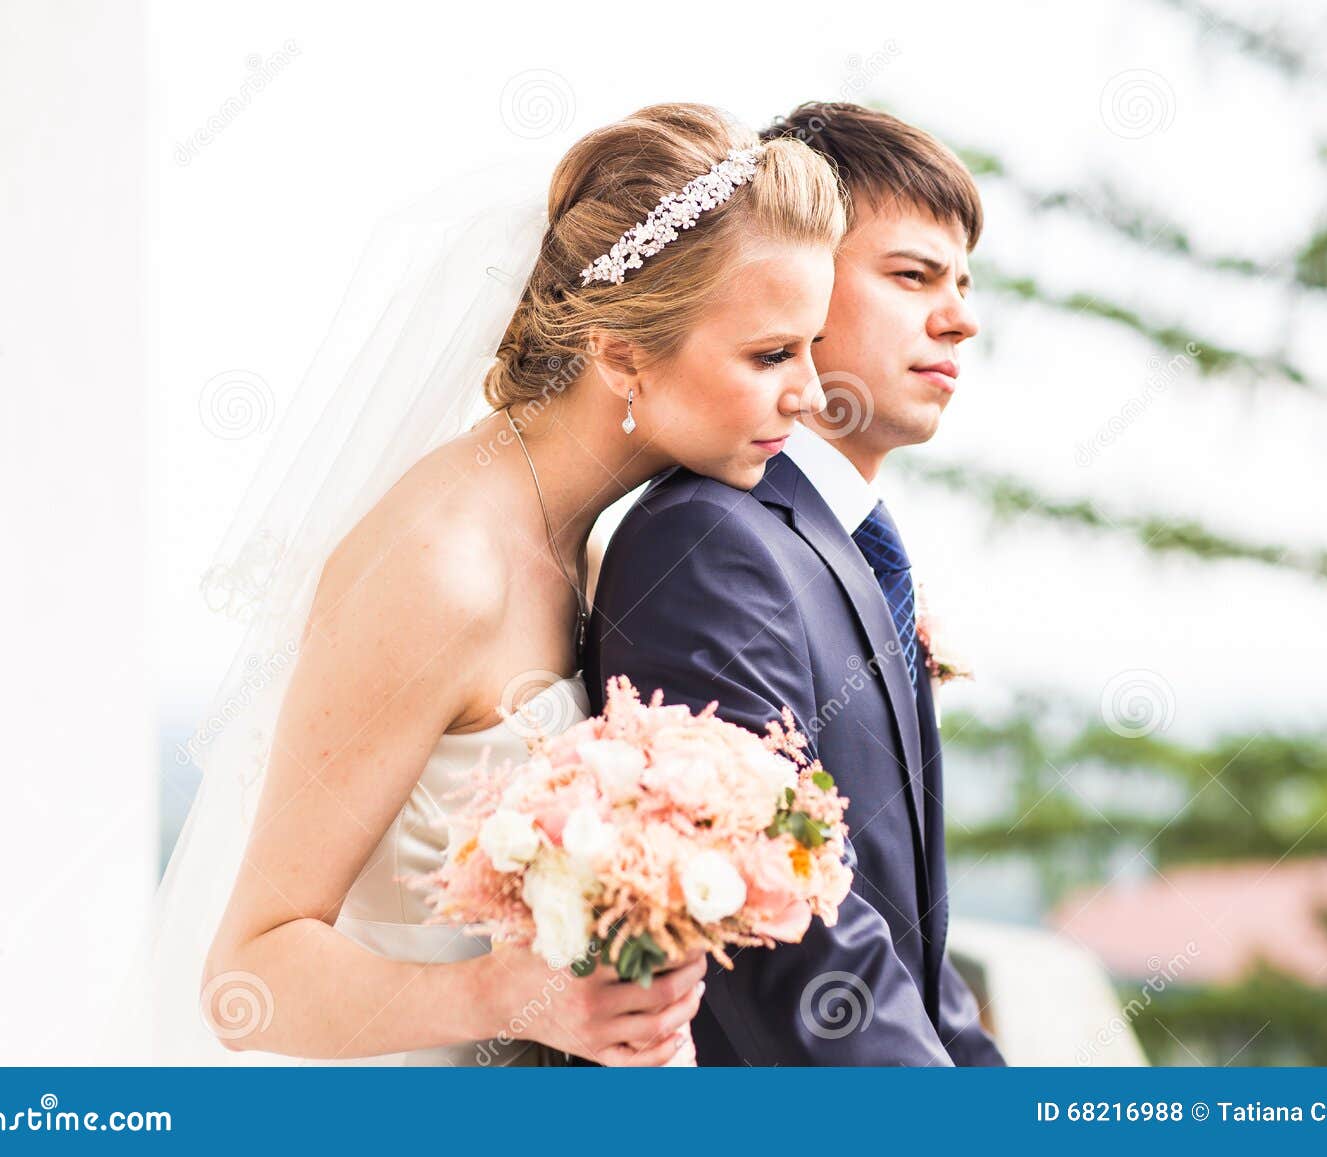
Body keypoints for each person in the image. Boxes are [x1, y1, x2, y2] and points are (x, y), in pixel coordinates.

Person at [134, 102, 846, 1066]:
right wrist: (512, 996)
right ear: (621, 355)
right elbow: (245, 982)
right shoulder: (439, 570)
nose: (810, 392)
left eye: (811, 346)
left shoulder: (598, 540)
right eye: (770, 354)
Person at [584, 101, 1005, 1065]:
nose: (961, 317)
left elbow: (916, 945)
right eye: (913, 275)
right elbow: (791, 945)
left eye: (965, 282)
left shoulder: (847, 544)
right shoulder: (705, 543)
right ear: (800, 281)